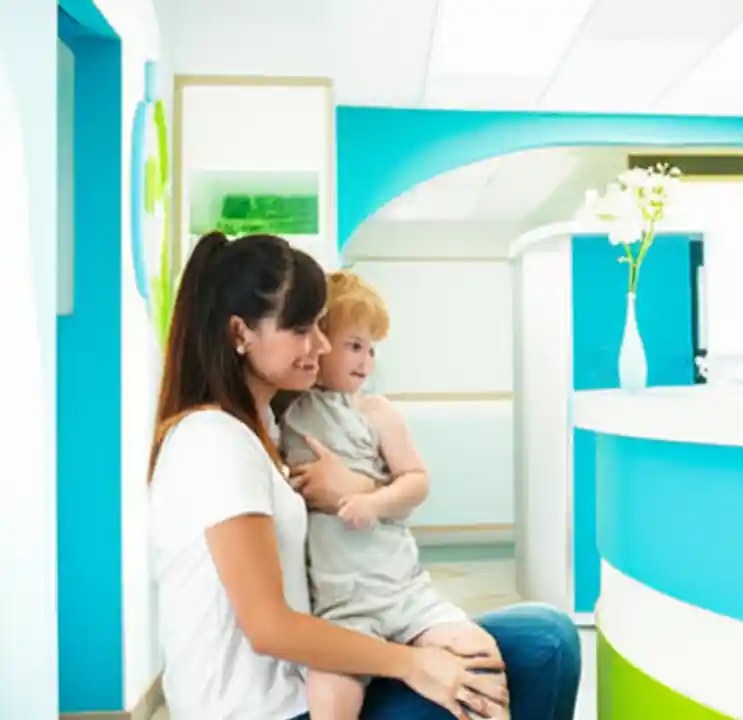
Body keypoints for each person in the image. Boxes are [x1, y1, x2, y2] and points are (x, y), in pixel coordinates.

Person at [148, 232, 581, 720]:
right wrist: (413, 665)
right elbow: (267, 626)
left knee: (548, 636)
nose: (322, 344)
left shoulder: (269, 428)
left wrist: (362, 493)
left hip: (312, 668)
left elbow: (371, 496)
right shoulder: (214, 440)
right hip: (268, 709)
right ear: (239, 333)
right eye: (302, 329)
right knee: (524, 663)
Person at [277, 271, 508, 720]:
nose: (367, 361)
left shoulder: (376, 412)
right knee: (329, 695)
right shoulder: (286, 411)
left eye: (372, 348)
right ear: (318, 340)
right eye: (354, 345)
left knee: (479, 654)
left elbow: (416, 481)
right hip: (339, 608)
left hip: (404, 593)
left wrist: (372, 502)